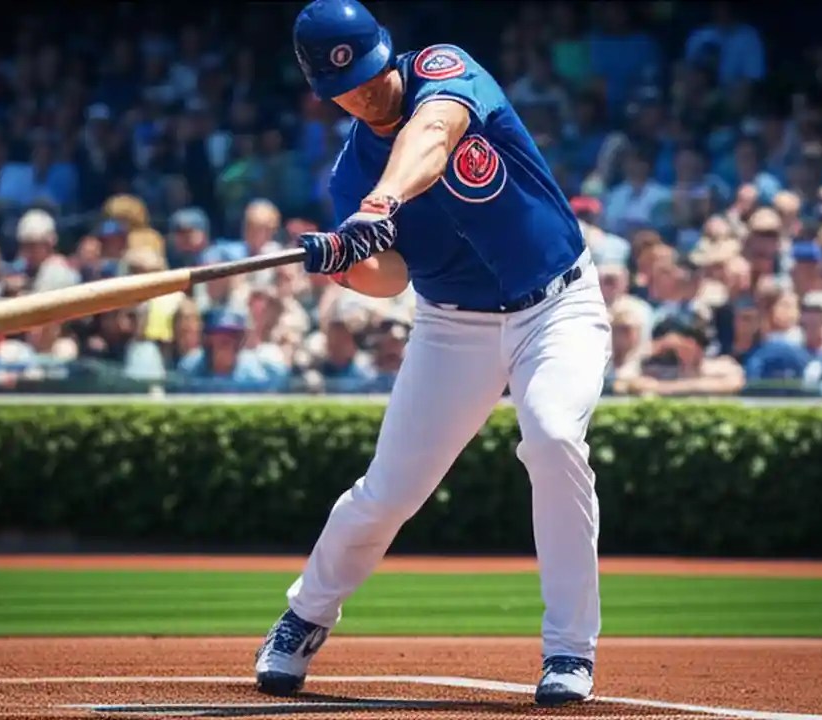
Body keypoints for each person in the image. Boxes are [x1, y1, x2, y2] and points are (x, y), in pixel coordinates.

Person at [255, 0, 610, 706]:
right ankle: (303, 617)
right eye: (340, 88)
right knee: (388, 491)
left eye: (364, 72)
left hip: (558, 304)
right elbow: (389, 279)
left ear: (385, 51)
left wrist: (378, 206)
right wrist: (343, 261)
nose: (359, 92)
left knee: (551, 436)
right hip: (455, 327)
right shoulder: (350, 173)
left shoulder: (444, 71)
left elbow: (437, 132)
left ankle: (569, 650)